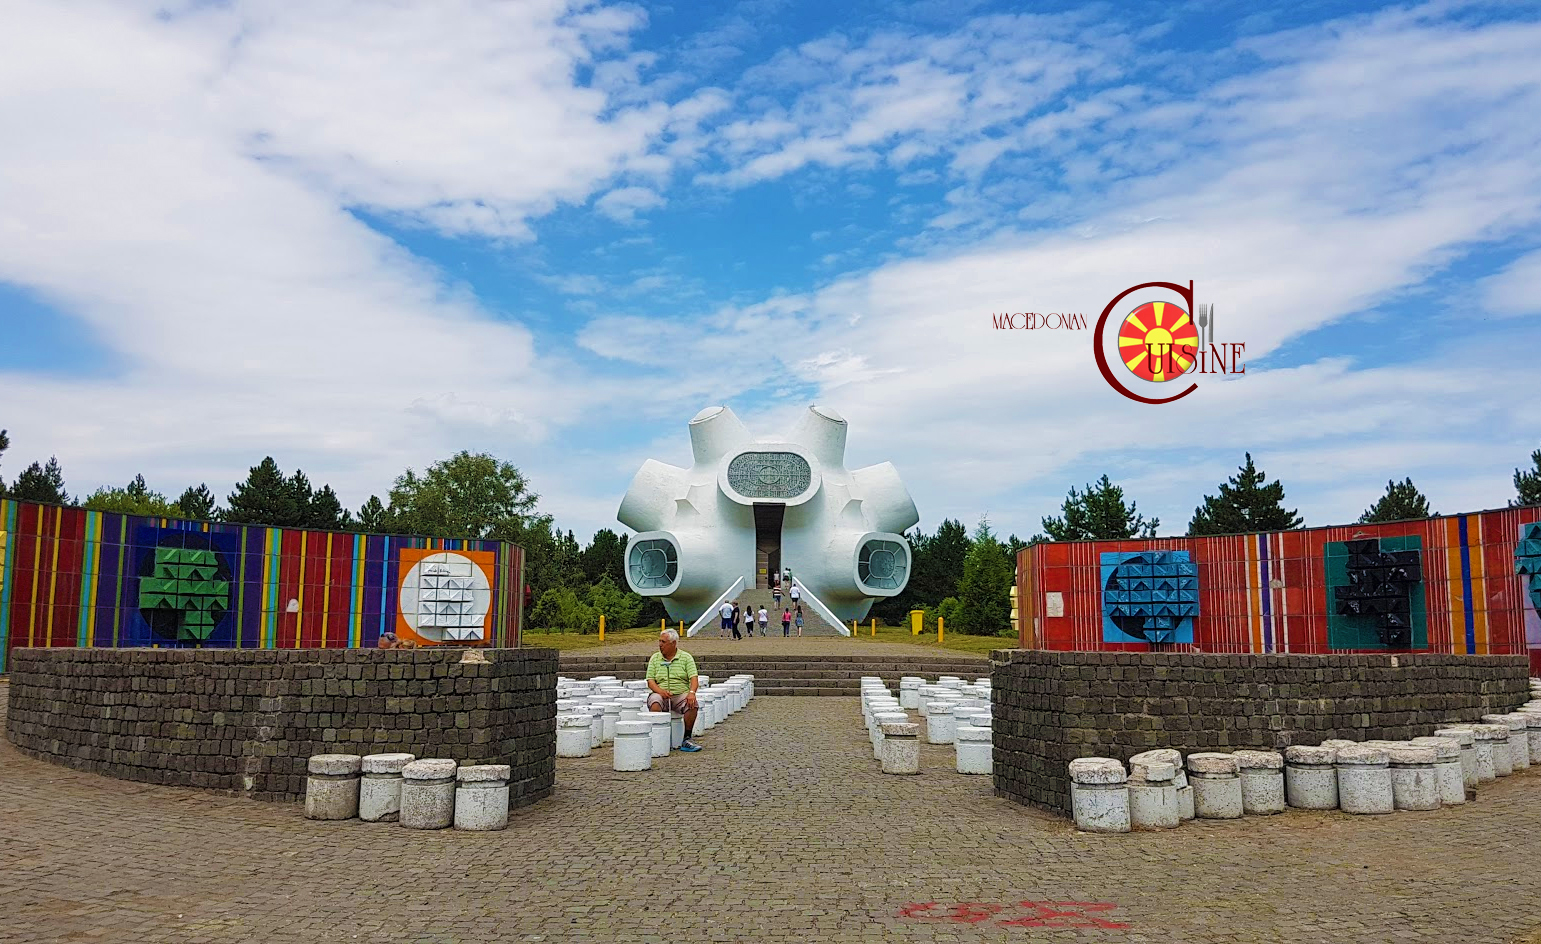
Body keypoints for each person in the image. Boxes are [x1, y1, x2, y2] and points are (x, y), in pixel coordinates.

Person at [646, 629, 702, 752]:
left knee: (692, 704)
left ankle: (687, 738)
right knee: (655, 701)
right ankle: (657, 739)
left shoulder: (686, 657)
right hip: (660, 694)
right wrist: (660, 691)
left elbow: (694, 678)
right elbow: (650, 681)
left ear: (673, 643)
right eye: (659, 641)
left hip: (679, 694)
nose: (660, 645)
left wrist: (691, 693)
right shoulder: (655, 658)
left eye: (663, 642)